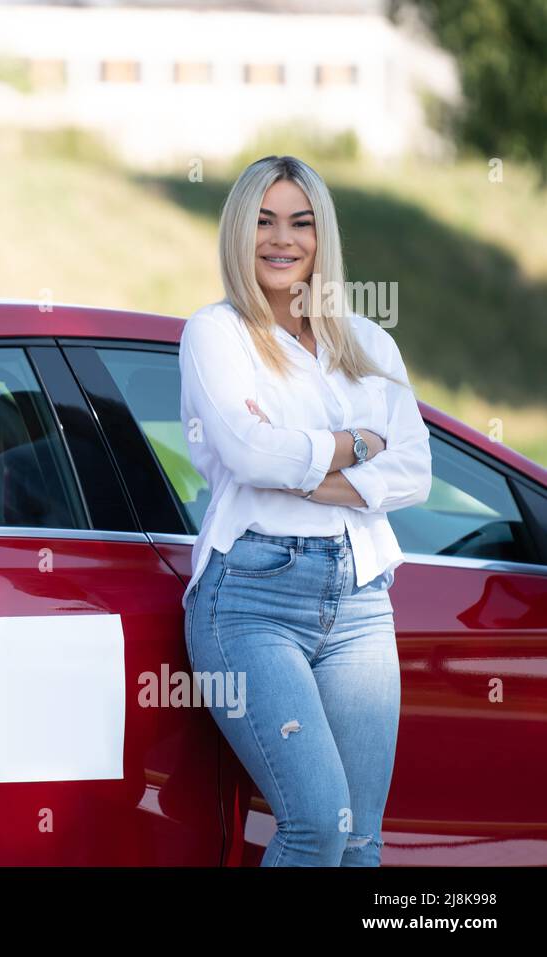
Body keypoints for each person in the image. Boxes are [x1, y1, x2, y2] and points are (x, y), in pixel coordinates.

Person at [179, 154, 432, 866]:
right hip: (251, 600)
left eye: (300, 221)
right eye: (263, 220)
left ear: (323, 238)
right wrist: (357, 444)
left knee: (358, 842)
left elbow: (415, 470)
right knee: (317, 825)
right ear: (238, 231)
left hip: (359, 599)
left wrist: (307, 466)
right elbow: (250, 455)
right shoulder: (216, 334)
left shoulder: (369, 343)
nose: (281, 239)